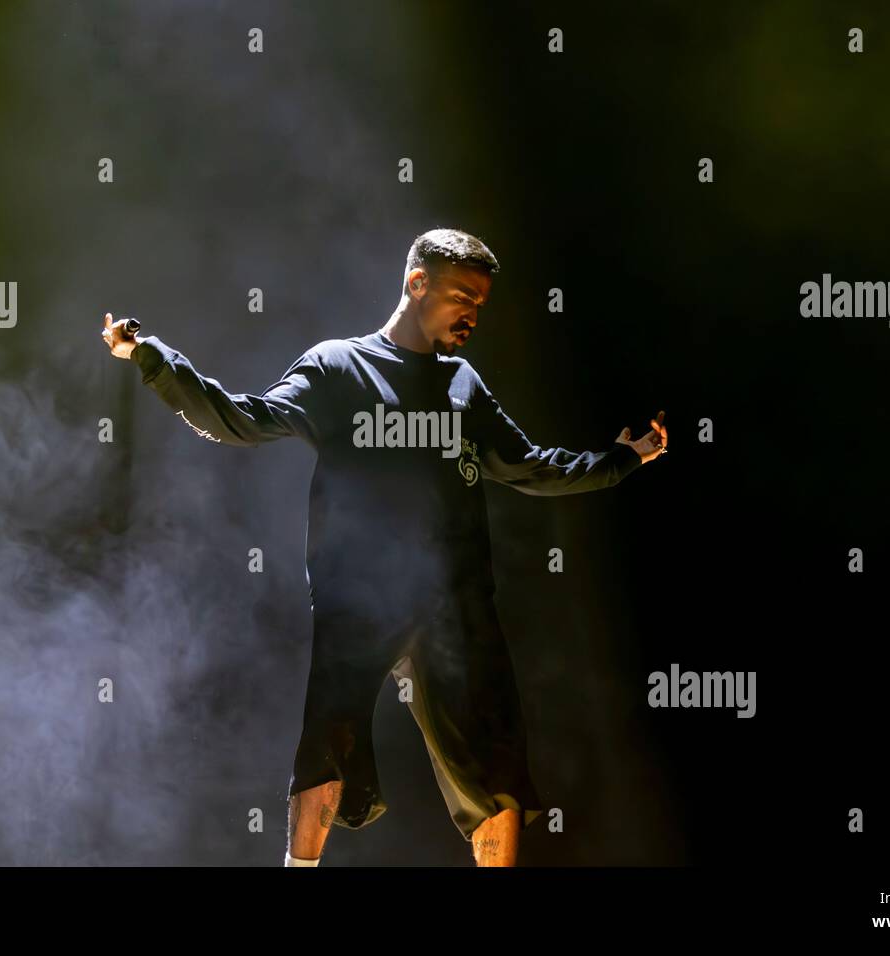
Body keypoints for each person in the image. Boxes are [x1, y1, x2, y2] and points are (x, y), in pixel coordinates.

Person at [101, 228, 668, 866]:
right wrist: (150, 357)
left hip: (457, 603)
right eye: (462, 296)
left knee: (497, 769)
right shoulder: (339, 367)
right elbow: (242, 419)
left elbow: (531, 465)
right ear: (416, 283)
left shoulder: (462, 385)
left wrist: (623, 458)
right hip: (362, 596)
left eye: (480, 303)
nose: (472, 314)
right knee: (328, 747)